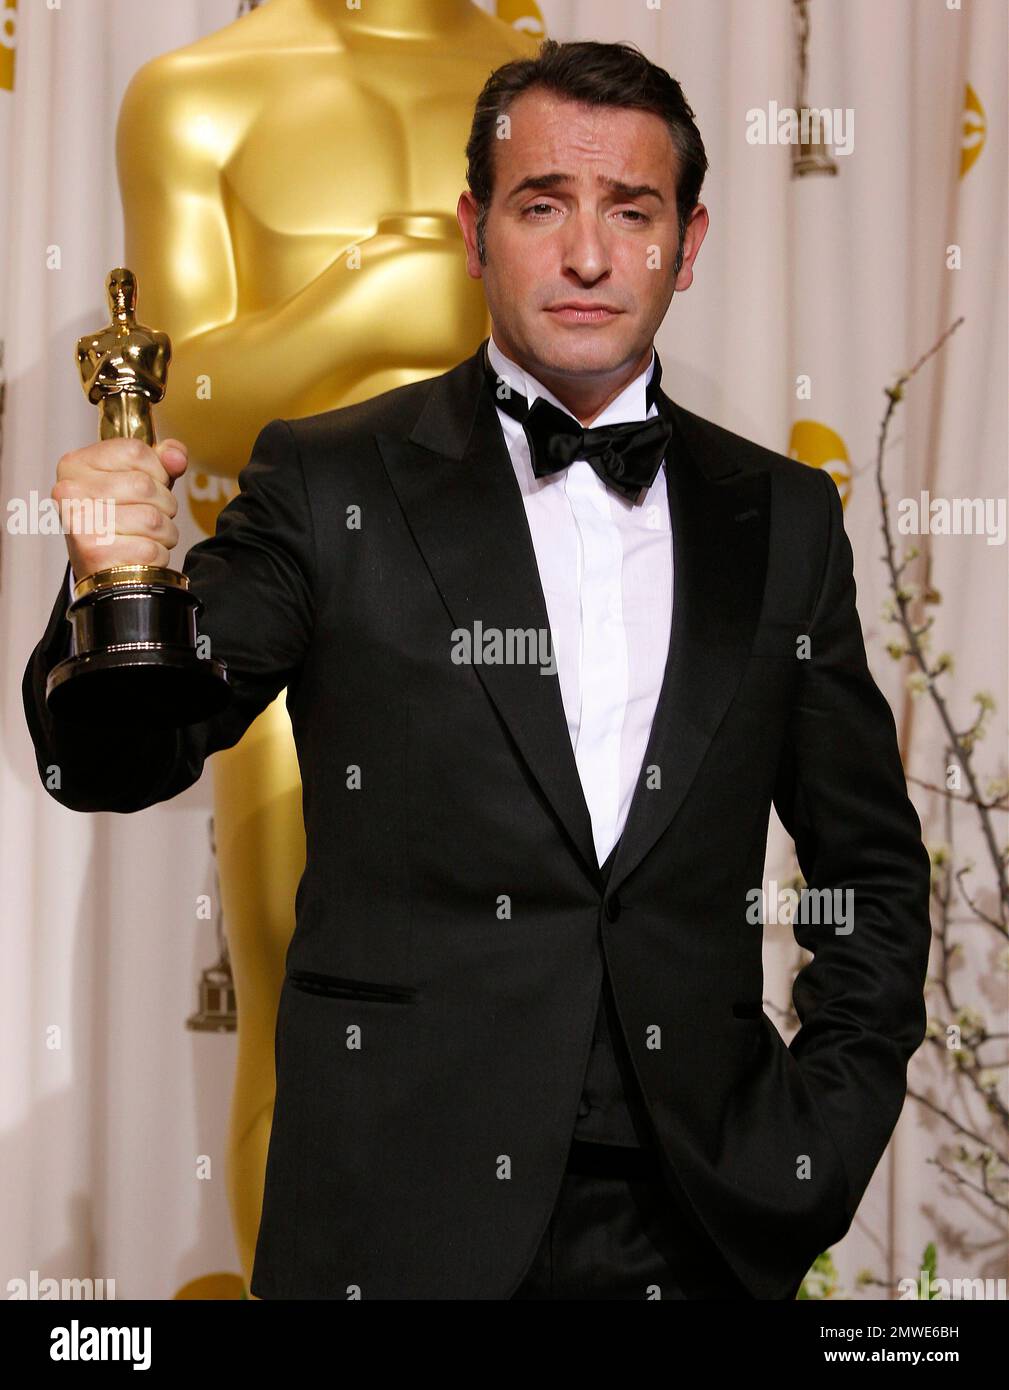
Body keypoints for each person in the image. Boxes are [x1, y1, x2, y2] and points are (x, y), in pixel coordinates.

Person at [23, 39, 932, 1300]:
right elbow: (121, 760)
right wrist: (115, 586)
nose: (588, 255)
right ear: (473, 230)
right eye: (542, 204)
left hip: (695, 1226)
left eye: (632, 210)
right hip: (394, 1227)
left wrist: (814, 1145)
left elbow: (870, 871)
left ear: (691, 238)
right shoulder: (332, 478)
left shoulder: (780, 517)